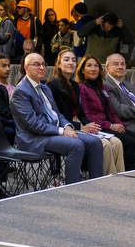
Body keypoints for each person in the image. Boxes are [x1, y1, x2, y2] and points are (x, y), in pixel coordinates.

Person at [11, 52, 104, 185]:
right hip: (35, 137)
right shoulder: (21, 91)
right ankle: (73, 189)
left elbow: (57, 114)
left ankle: (96, 184)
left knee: (95, 142)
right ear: (26, 68)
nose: (41, 67)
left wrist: (67, 126)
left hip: (54, 132)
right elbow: (33, 125)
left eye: (43, 64)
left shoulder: (44, 88)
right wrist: (62, 131)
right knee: (76, 145)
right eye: (36, 65)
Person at [77, 54, 135, 171]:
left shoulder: (102, 87)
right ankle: (130, 178)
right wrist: (111, 126)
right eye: (89, 66)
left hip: (110, 125)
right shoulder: (81, 88)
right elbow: (87, 116)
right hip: (98, 127)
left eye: (96, 66)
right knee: (130, 142)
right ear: (82, 70)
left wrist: (119, 124)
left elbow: (111, 111)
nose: (93, 69)